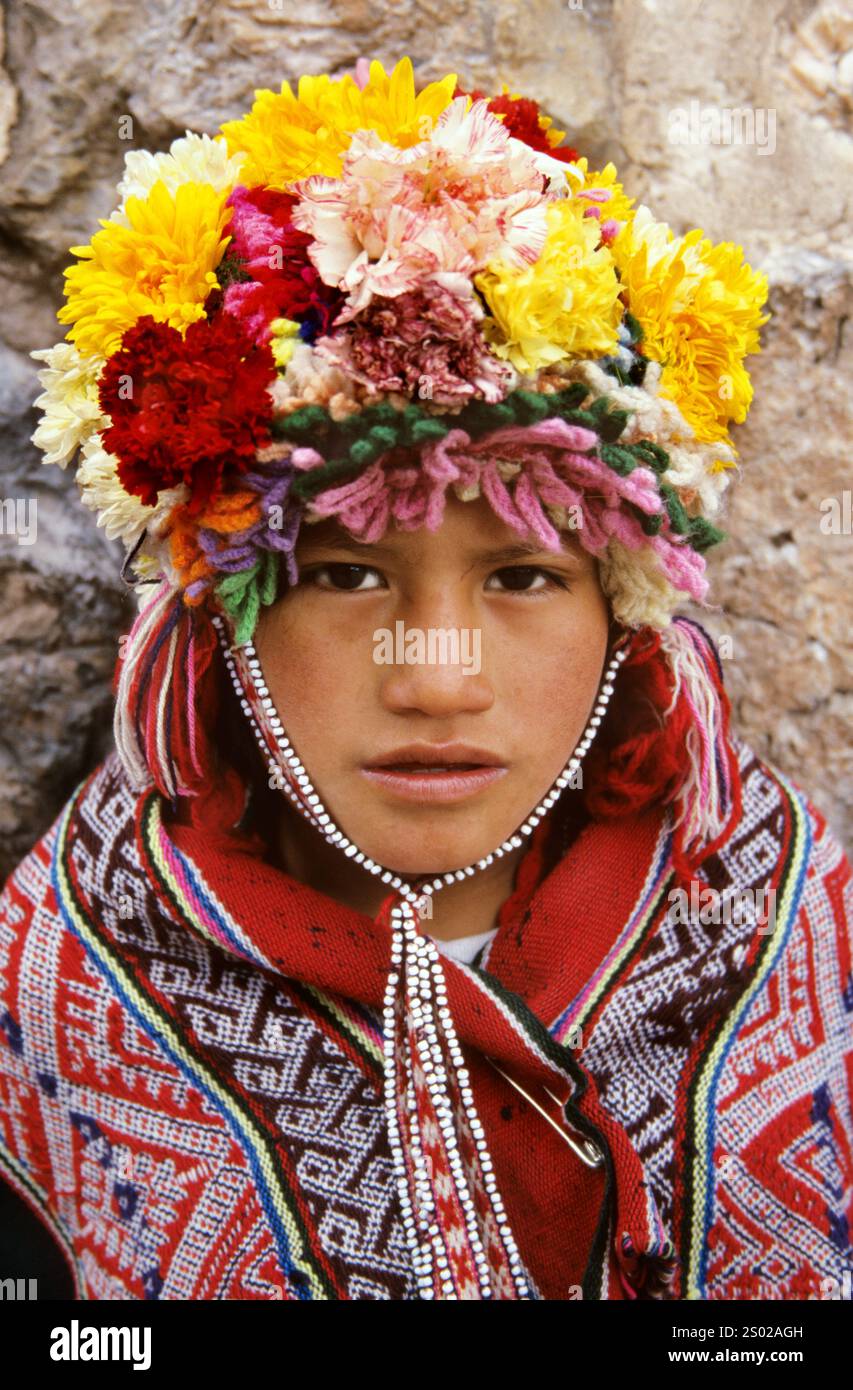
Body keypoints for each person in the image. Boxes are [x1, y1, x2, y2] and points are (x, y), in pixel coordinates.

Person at [1, 55, 850, 1302]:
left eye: (522, 577)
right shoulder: (64, 981)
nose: (439, 678)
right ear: (216, 609)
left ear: (629, 613)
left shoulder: (792, 938)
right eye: (346, 577)